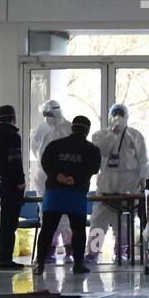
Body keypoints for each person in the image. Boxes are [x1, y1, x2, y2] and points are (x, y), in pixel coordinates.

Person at [34, 114, 101, 276]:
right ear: (87, 131)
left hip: (54, 193)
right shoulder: (92, 149)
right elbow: (93, 169)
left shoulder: (54, 145)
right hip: (76, 194)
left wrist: (57, 175)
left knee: (48, 229)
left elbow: (45, 163)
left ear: (72, 128)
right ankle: (78, 264)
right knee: (78, 229)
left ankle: (40, 264)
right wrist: (74, 178)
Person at [87, 103, 149, 262]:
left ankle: (121, 253)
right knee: (98, 222)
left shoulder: (135, 136)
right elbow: (100, 150)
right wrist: (113, 135)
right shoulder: (100, 135)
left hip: (127, 189)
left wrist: (143, 178)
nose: (117, 118)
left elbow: (143, 159)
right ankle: (93, 253)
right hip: (105, 188)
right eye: (114, 115)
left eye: (121, 115)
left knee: (123, 225)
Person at [0, 104, 27, 270]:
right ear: (13, 118)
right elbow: (15, 161)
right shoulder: (13, 136)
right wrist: (19, 182)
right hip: (10, 186)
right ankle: (5, 259)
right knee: (9, 224)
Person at [31, 99, 74, 262]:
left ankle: (70, 249)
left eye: (50, 114)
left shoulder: (69, 128)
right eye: (46, 114)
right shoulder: (40, 130)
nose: (48, 117)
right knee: (47, 214)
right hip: (45, 179)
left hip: (66, 179)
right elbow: (37, 152)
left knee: (67, 216)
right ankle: (49, 249)